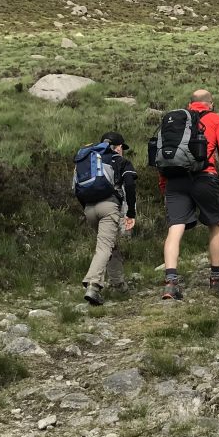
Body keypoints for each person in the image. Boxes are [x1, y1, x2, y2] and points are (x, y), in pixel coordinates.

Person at [152, 89, 219, 300]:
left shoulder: (175, 122)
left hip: (175, 179)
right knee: (215, 224)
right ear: (211, 103)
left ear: (190, 104)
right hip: (205, 177)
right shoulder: (216, 120)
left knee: (175, 229)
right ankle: (216, 278)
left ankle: (171, 283)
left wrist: (164, 185)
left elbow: (163, 156)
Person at [76, 131, 137, 306]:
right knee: (104, 247)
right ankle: (93, 285)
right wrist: (131, 212)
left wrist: (87, 208)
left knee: (110, 244)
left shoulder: (89, 160)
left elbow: (76, 187)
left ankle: (118, 284)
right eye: (121, 147)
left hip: (89, 208)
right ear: (117, 147)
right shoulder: (120, 161)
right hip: (109, 207)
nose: (122, 150)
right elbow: (130, 184)